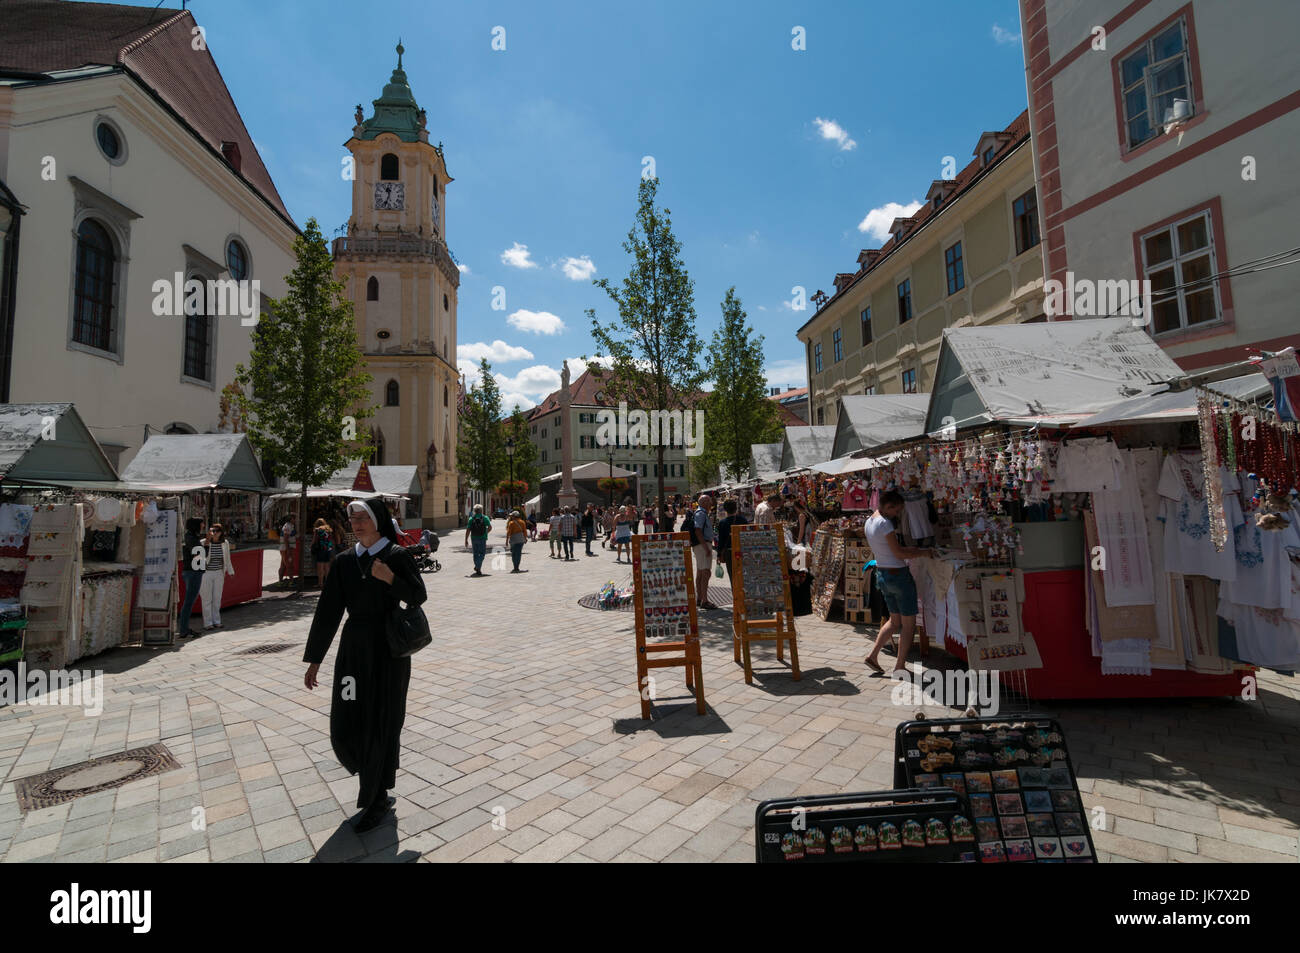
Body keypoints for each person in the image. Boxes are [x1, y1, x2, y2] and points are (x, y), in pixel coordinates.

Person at [304, 497, 426, 833]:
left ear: (377, 519)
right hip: (353, 651)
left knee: (382, 720)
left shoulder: (396, 555)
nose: (357, 523)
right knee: (348, 716)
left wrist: (390, 580)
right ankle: (374, 782)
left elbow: (417, 596)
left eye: (363, 517)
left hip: (388, 651)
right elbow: (328, 612)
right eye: (352, 517)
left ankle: (375, 795)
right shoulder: (344, 561)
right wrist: (315, 659)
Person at [863, 490, 941, 677]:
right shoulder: (885, 524)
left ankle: (873, 655)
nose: (897, 515)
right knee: (908, 624)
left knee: (894, 620)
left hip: (882, 573)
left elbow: (890, 550)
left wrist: (909, 550)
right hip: (898, 575)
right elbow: (898, 554)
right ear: (888, 506)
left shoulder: (869, 521)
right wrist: (921, 552)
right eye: (896, 511)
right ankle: (899, 665)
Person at [199, 523, 236, 630]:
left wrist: (230, 571)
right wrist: (207, 539)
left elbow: (227, 558)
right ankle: (208, 623)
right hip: (206, 573)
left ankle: (217, 620)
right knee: (206, 598)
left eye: (217, 531)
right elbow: (200, 558)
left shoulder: (225, 543)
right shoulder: (202, 542)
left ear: (221, 533)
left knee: (217, 598)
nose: (215, 533)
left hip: (219, 572)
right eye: (213, 531)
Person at [178, 518, 205, 638]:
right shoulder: (192, 538)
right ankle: (183, 630)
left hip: (190, 571)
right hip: (193, 572)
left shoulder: (189, 537)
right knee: (189, 602)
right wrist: (206, 551)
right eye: (201, 524)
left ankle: (184, 629)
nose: (203, 526)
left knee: (189, 601)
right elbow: (197, 555)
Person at [691, 494, 718, 610]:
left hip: (701, 545)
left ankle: (700, 598)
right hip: (703, 545)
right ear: (705, 502)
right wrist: (706, 548)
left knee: (701, 572)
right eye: (710, 501)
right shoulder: (701, 513)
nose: (711, 503)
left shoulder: (700, 513)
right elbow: (698, 530)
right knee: (706, 572)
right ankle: (704, 600)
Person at [715, 498, 747, 584]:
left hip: (730, 552)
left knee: (733, 576)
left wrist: (718, 555)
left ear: (725, 509)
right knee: (744, 575)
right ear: (736, 508)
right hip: (743, 551)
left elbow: (721, 540)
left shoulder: (722, 523)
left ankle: (735, 595)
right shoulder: (743, 520)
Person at [464, 504, 491, 575]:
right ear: (481, 510)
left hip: (474, 538)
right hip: (483, 538)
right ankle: (478, 567)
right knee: (482, 553)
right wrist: (485, 532)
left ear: (474, 511)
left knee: (475, 553)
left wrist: (466, 540)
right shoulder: (485, 518)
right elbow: (490, 527)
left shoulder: (471, 519)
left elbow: (468, 530)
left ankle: (477, 566)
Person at [312, 517, 336, 588]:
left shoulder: (317, 530)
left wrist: (312, 546)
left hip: (320, 550)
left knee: (320, 568)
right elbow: (331, 540)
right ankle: (328, 583)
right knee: (327, 567)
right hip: (328, 549)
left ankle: (320, 583)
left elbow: (314, 540)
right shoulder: (328, 529)